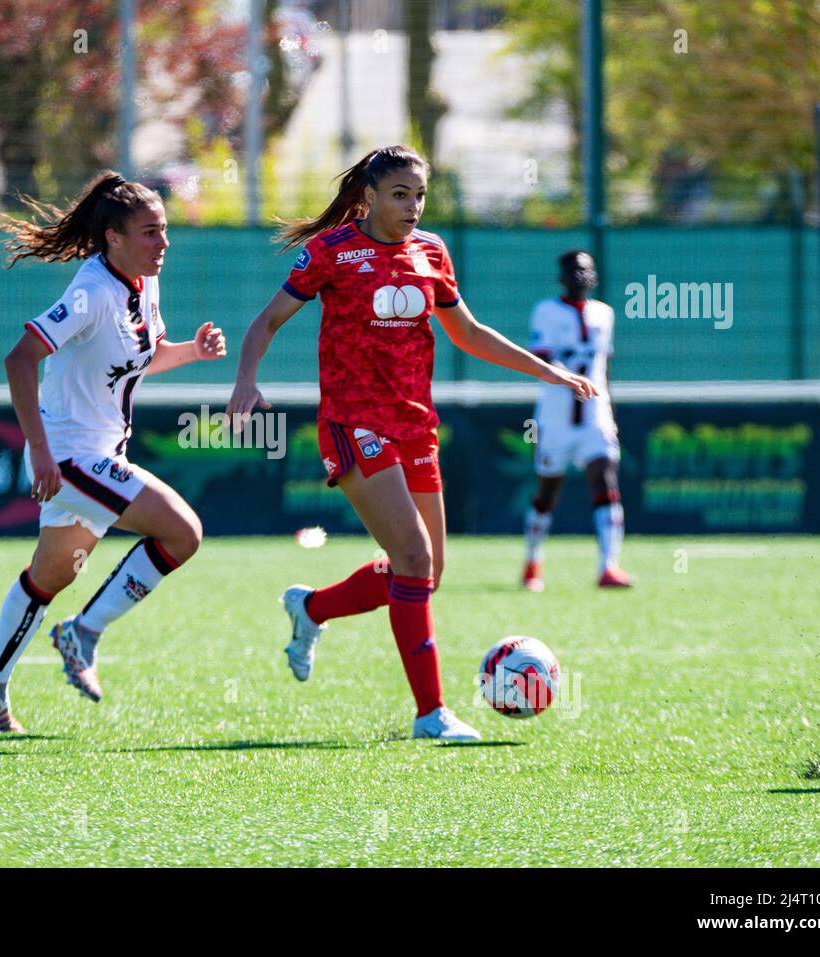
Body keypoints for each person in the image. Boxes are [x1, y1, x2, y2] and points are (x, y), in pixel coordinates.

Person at [227, 145, 598, 741]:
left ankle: (311, 608)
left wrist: (547, 372)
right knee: (415, 560)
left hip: (414, 424)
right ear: (370, 197)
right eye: (401, 194)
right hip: (354, 421)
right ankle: (431, 714)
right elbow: (267, 321)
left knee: (426, 573)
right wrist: (246, 380)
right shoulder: (331, 251)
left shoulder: (432, 252)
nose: (413, 206)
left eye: (420, 195)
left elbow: (469, 333)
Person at [0, 171, 227, 733]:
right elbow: (19, 358)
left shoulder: (142, 281)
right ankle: (82, 633)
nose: (163, 244)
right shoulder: (91, 291)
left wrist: (192, 353)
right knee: (183, 532)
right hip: (71, 459)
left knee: (49, 576)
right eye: (150, 232)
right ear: (114, 238)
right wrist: (39, 452)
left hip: (92, 455)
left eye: (165, 230)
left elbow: (138, 358)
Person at [521, 250, 633, 591]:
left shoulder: (605, 314)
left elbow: (605, 365)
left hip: (595, 416)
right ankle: (532, 561)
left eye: (585, 270)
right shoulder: (546, 311)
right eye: (573, 271)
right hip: (556, 417)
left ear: (595, 276)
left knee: (605, 479)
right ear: (561, 277)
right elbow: (539, 359)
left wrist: (609, 409)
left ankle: (608, 566)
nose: (580, 276)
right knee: (548, 490)